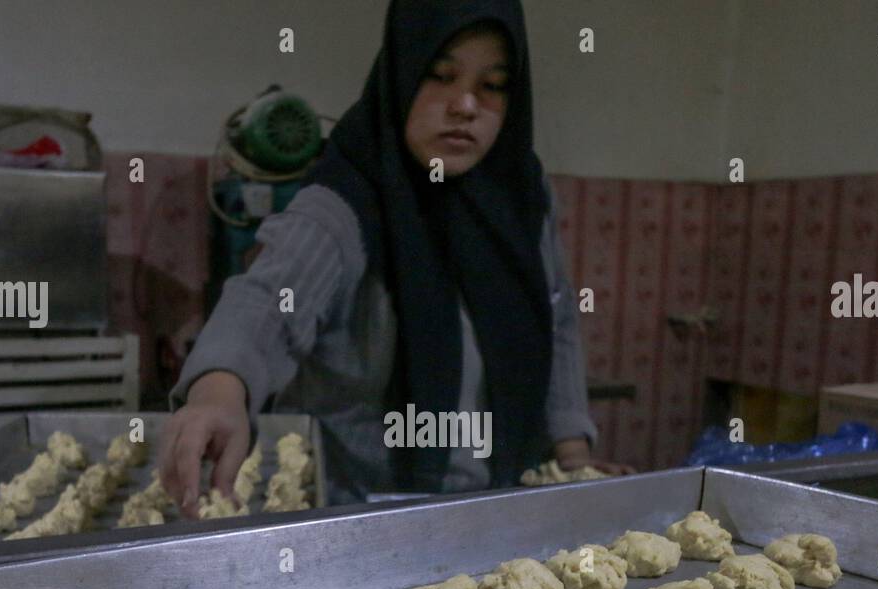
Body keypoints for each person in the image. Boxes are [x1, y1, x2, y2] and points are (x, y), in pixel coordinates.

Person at [160, 0, 631, 516]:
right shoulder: (349, 201)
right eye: (440, 76)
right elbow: (268, 298)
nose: (465, 105)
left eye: (492, 85)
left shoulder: (518, 198)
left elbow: (555, 315)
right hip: (359, 525)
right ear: (402, 74)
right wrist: (219, 392)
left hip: (497, 510)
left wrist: (571, 455)